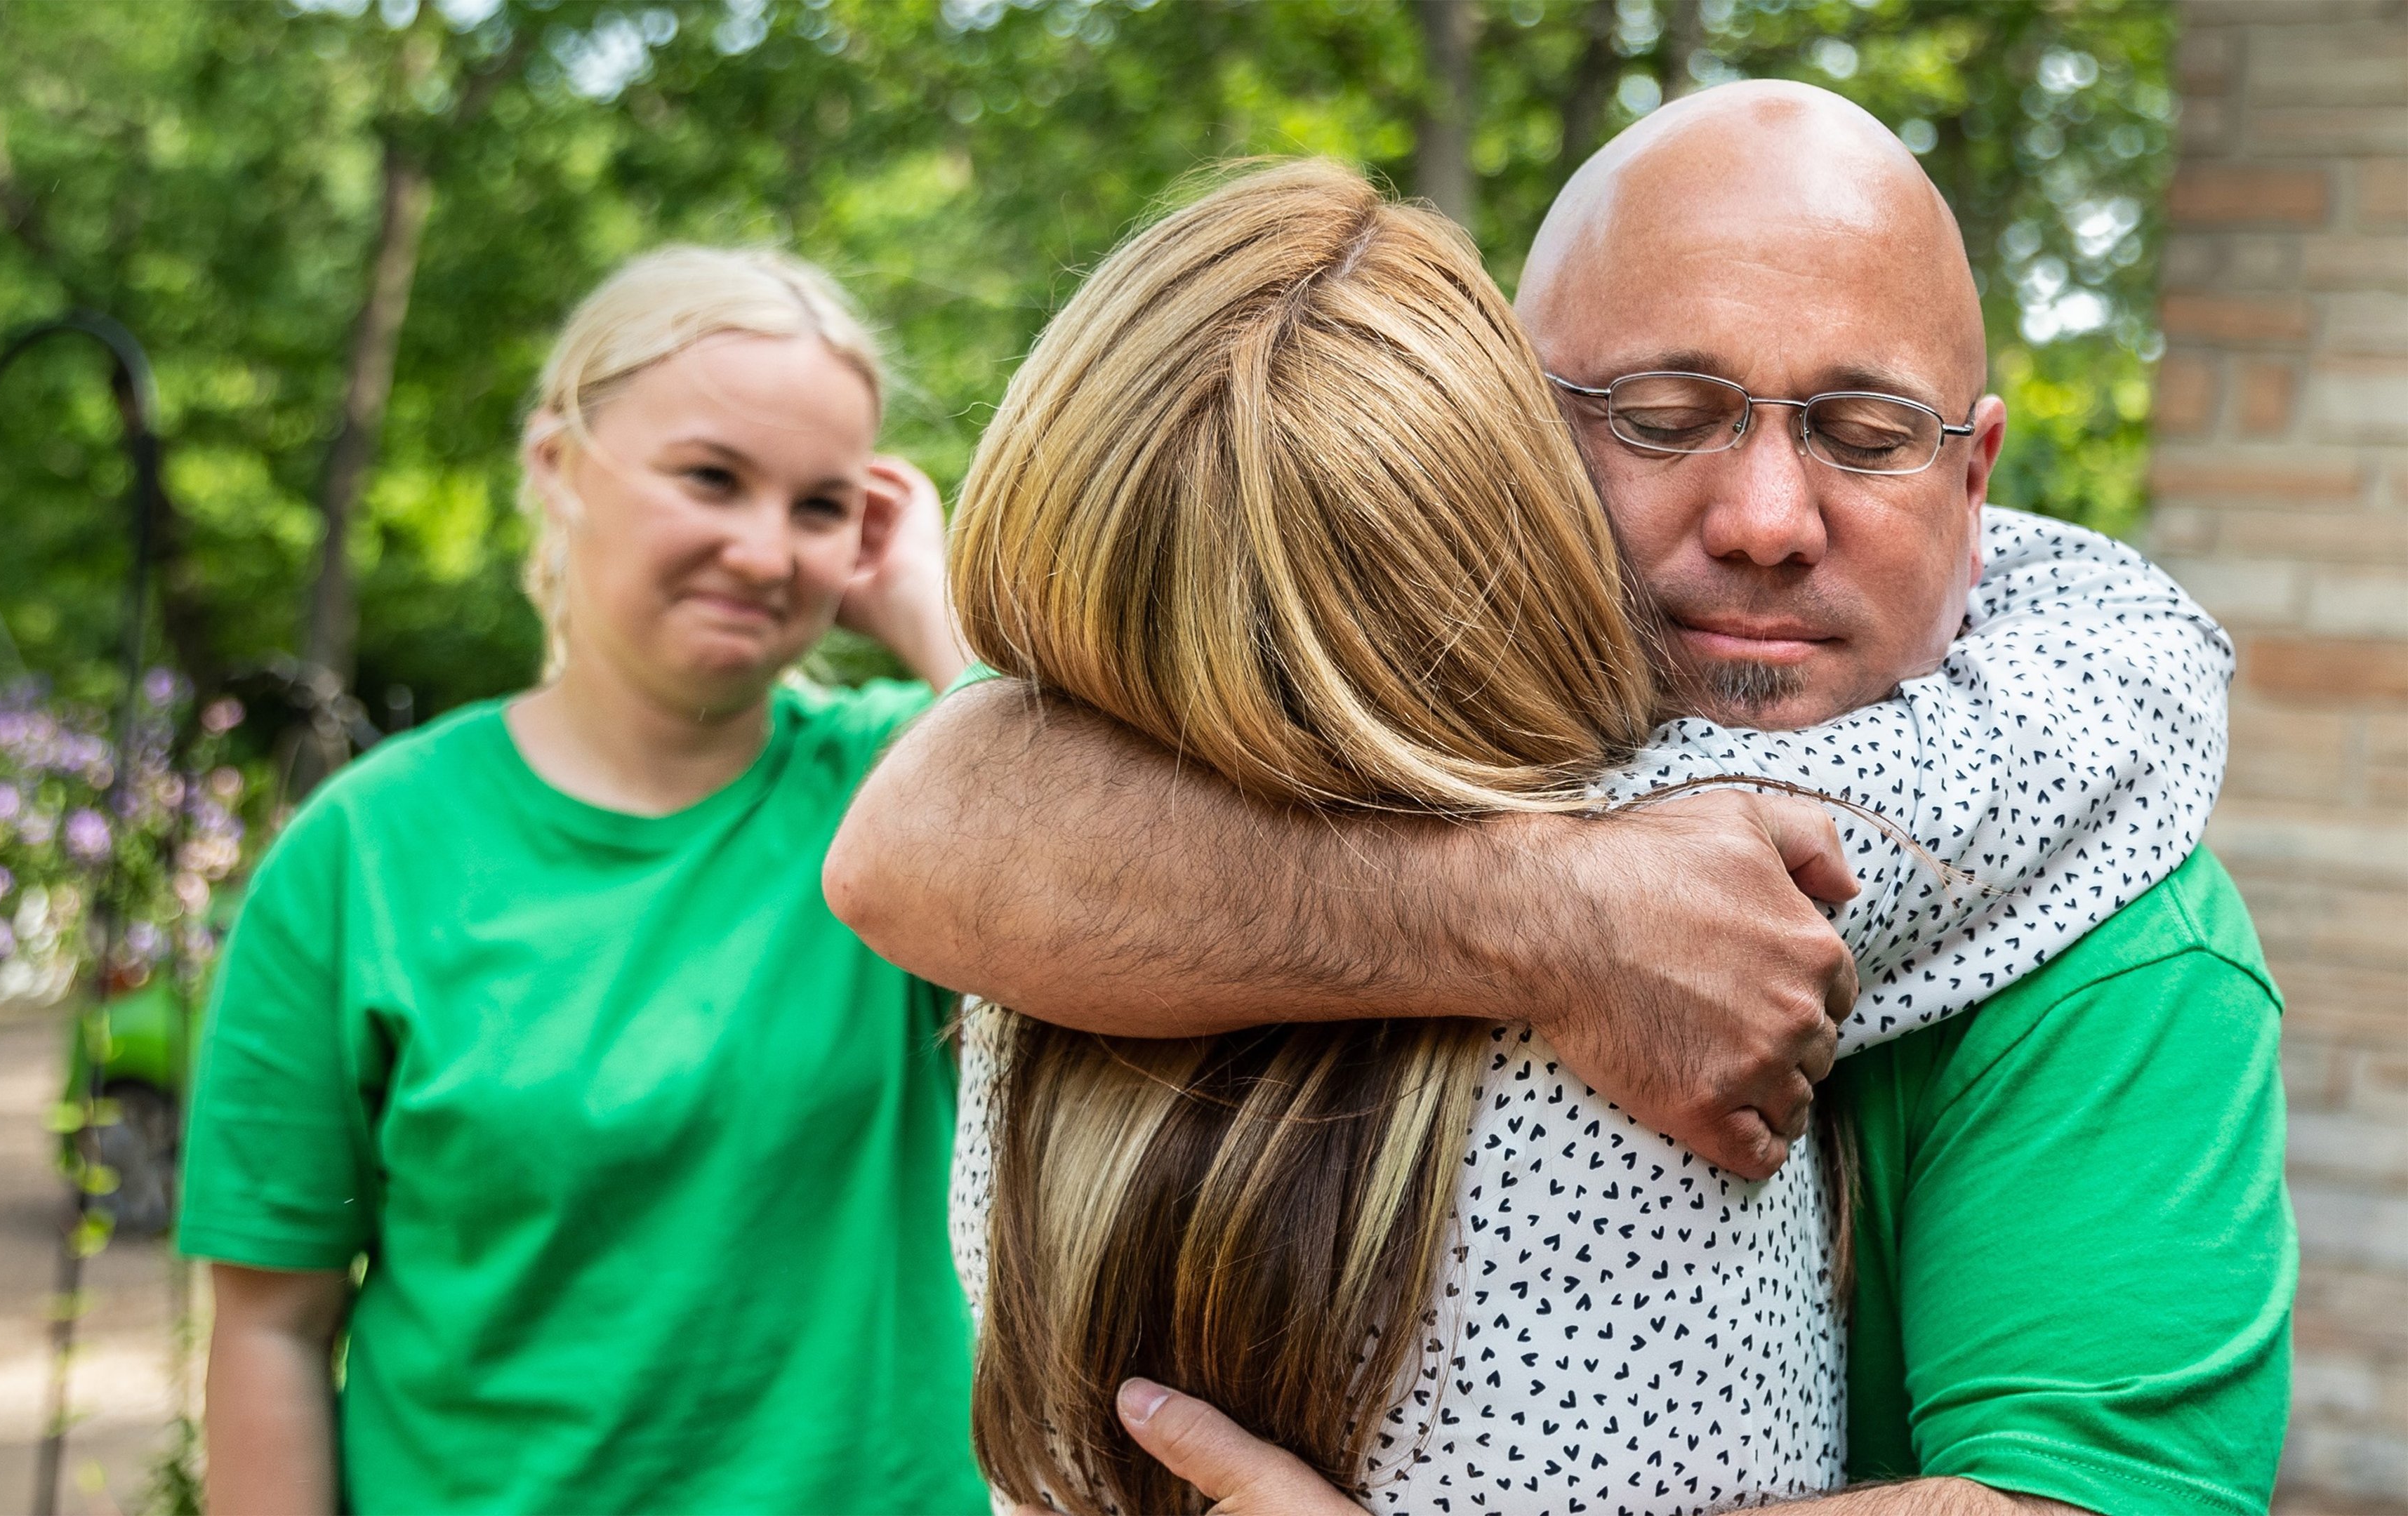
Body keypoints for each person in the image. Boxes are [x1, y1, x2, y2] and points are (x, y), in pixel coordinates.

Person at [831, 86, 2290, 1515]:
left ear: (1972, 480)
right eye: (1663, 418)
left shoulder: (2125, 919)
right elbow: (914, 835)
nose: (1768, 523)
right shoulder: (1295, 718)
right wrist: (1553, 915)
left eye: (1861, 436)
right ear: (1508, 434)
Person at [177, 246, 987, 1516]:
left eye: (824, 507)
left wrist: (934, 614)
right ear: (559, 468)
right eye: (712, 478)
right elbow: (272, 1324)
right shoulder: (366, 852)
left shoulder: (919, 785)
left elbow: (1143, 872)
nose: (767, 551)